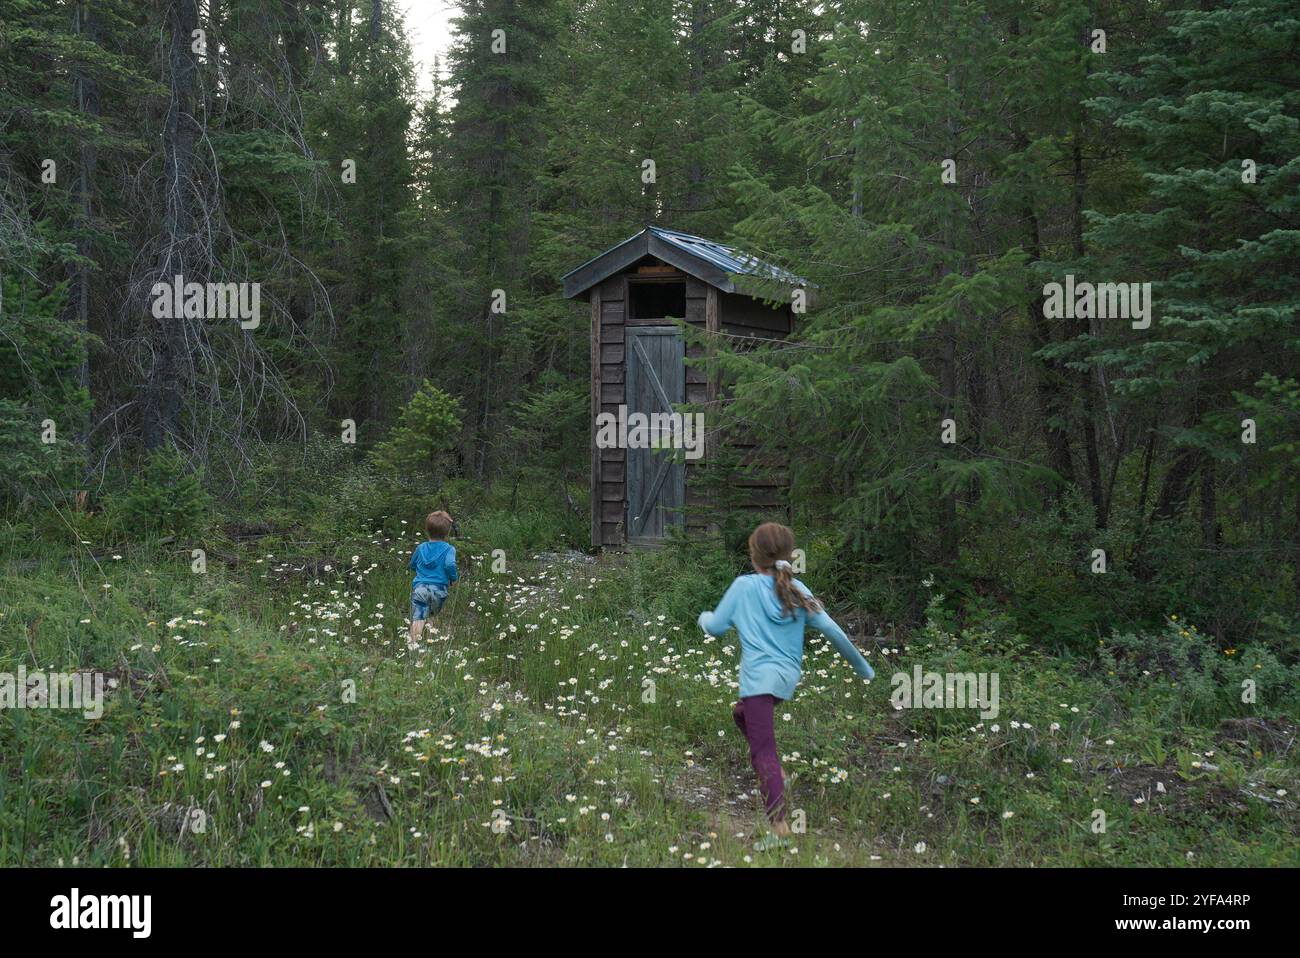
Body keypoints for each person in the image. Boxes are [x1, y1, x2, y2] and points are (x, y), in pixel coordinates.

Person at [697, 521, 875, 849]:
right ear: (786, 555)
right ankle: (777, 776)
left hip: (759, 681)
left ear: (754, 556)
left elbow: (715, 627)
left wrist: (704, 617)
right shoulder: (797, 588)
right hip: (786, 679)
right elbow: (833, 630)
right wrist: (862, 667)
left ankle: (779, 830)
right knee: (741, 716)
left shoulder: (743, 587)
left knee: (763, 751)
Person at [407, 510, 458, 646]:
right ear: (447, 532)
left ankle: (413, 646)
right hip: (439, 590)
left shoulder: (421, 548)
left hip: (420, 588)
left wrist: (416, 569)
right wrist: (453, 578)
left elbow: (412, 564)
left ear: (427, 530)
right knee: (433, 616)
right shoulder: (449, 549)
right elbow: (450, 564)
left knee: (419, 618)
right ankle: (430, 643)